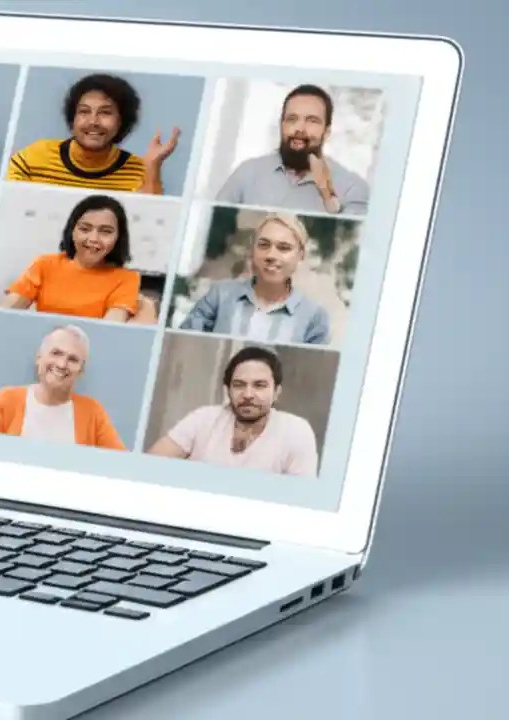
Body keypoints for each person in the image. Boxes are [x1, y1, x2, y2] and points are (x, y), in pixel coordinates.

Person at [146, 346, 318, 476]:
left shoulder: (297, 431)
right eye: (239, 385)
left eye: (259, 385)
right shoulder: (204, 418)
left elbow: (300, 498)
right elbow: (149, 465)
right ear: (227, 390)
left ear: (276, 392)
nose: (248, 394)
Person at [6, 73, 179, 193]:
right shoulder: (33, 158)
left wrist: (152, 166)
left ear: (121, 121)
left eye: (105, 112)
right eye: (84, 112)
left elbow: (150, 229)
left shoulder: (140, 172)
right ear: (72, 118)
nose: (93, 122)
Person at [216, 84, 370, 215]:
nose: (299, 129)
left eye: (312, 121)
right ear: (281, 125)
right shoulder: (247, 173)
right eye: (292, 119)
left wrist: (328, 195)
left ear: (327, 132)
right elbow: (209, 230)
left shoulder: (352, 188)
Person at [0, 194, 154, 322]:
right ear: (72, 231)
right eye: (85, 229)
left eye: (105, 231)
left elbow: (109, 331)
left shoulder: (127, 279)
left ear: (119, 238)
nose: (93, 238)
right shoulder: (45, 264)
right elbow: (3, 315)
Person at [180, 212, 331, 345]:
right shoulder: (219, 296)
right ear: (252, 251)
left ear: (301, 255)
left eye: (284, 248)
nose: (271, 255)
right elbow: (184, 345)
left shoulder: (314, 317)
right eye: (264, 245)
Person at [0, 325, 126, 449]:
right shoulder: (6, 400)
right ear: (39, 358)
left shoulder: (93, 412)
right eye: (56, 353)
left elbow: (120, 465)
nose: (62, 364)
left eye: (73, 359)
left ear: (81, 370)